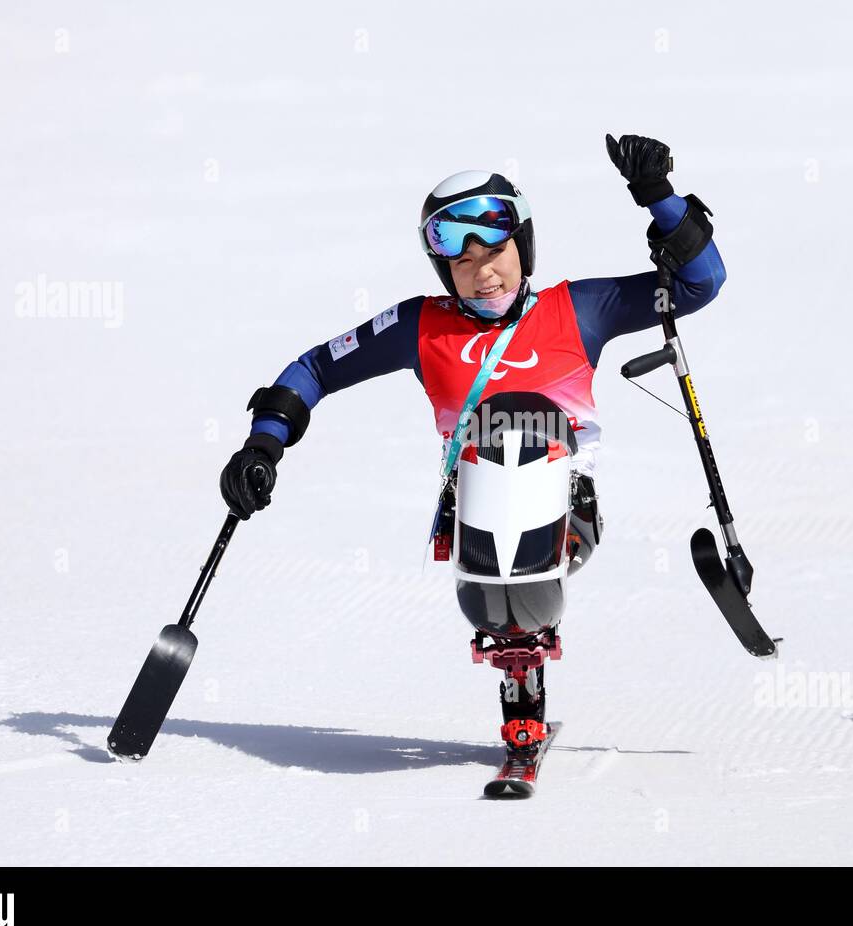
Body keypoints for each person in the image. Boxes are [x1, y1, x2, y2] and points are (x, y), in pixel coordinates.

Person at [220, 133, 726, 762]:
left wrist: (659, 198)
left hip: (569, 510)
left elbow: (702, 284)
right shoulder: (421, 326)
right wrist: (263, 446)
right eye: (462, 262)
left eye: (497, 252)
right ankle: (521, 670)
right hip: (471, 517)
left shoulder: (581, 309)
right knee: (497, 450)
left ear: (525, 247)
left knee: (525, 424)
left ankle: (525, 662)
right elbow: (315, 368)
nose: (483, 273)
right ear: (444, 269)